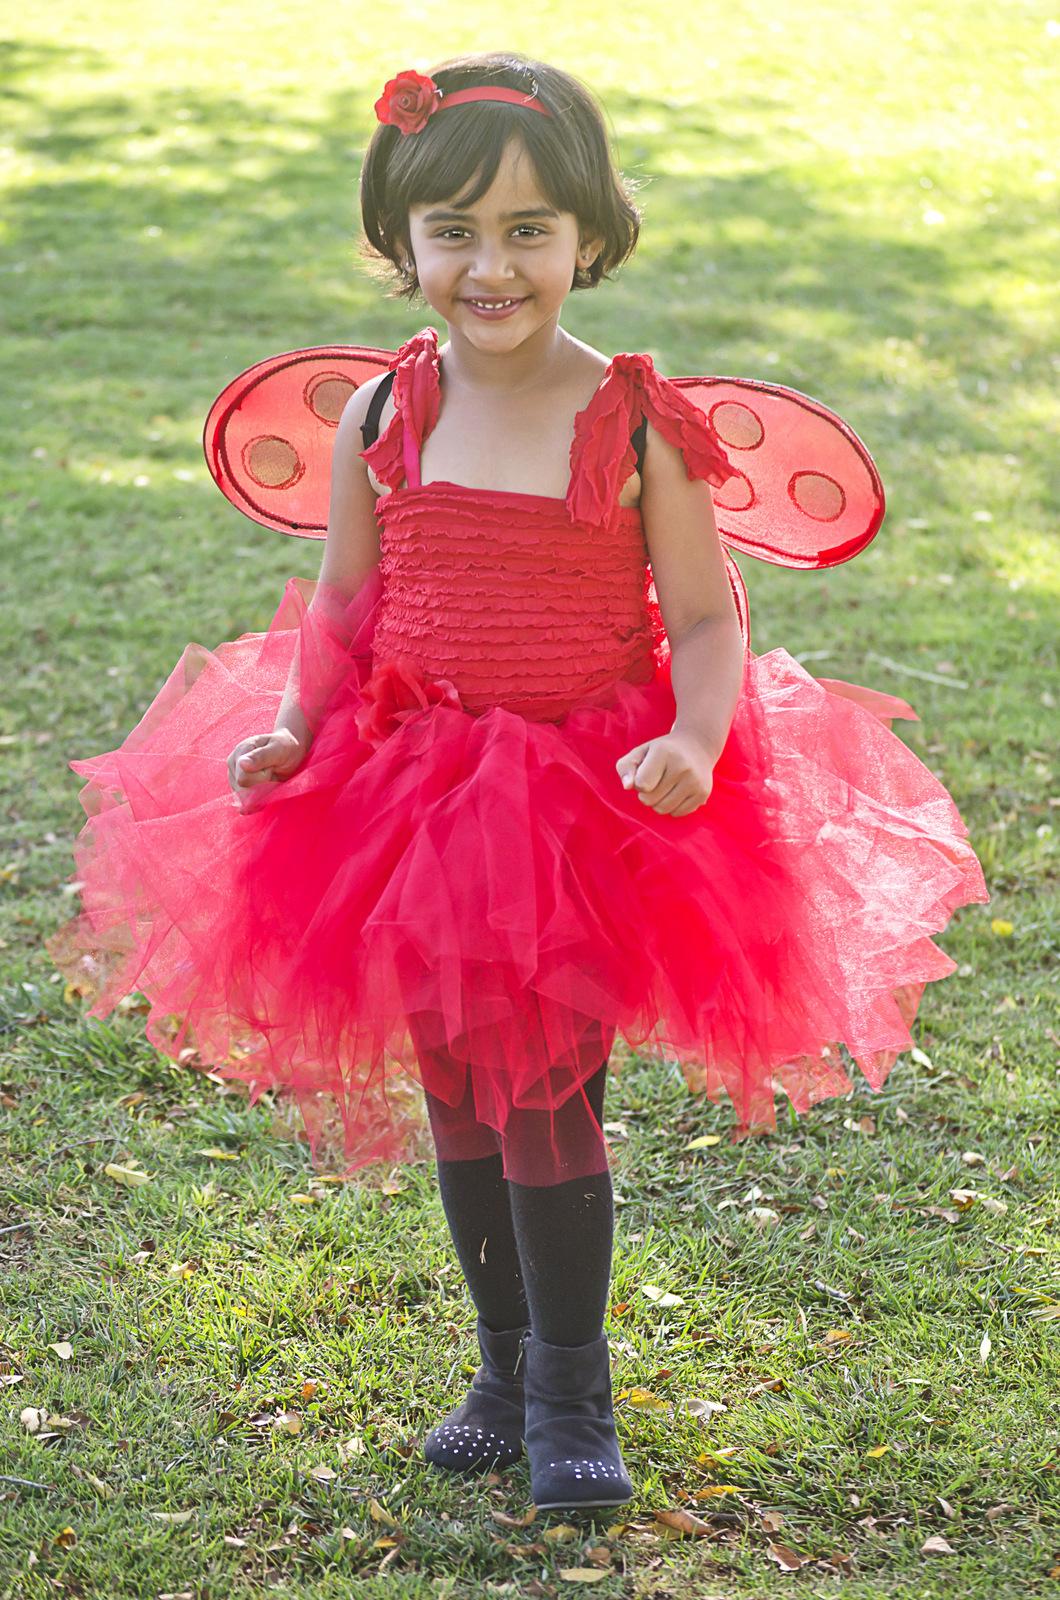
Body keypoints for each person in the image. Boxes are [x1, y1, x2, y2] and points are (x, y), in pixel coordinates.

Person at [50, 53, 986, 1511]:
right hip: (408, 794)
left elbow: (705, 616)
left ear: (592, 238)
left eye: (530, 230)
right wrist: (301, 726)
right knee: (455, 1095)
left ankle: (568, 1387)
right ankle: (495, 1362)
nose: (493, 265)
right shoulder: (380, 417)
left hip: (581, 804)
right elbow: (344, 605)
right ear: (399, 246)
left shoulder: (634, 425)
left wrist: (693, 732)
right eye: (456, 233)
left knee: (548, 1095)